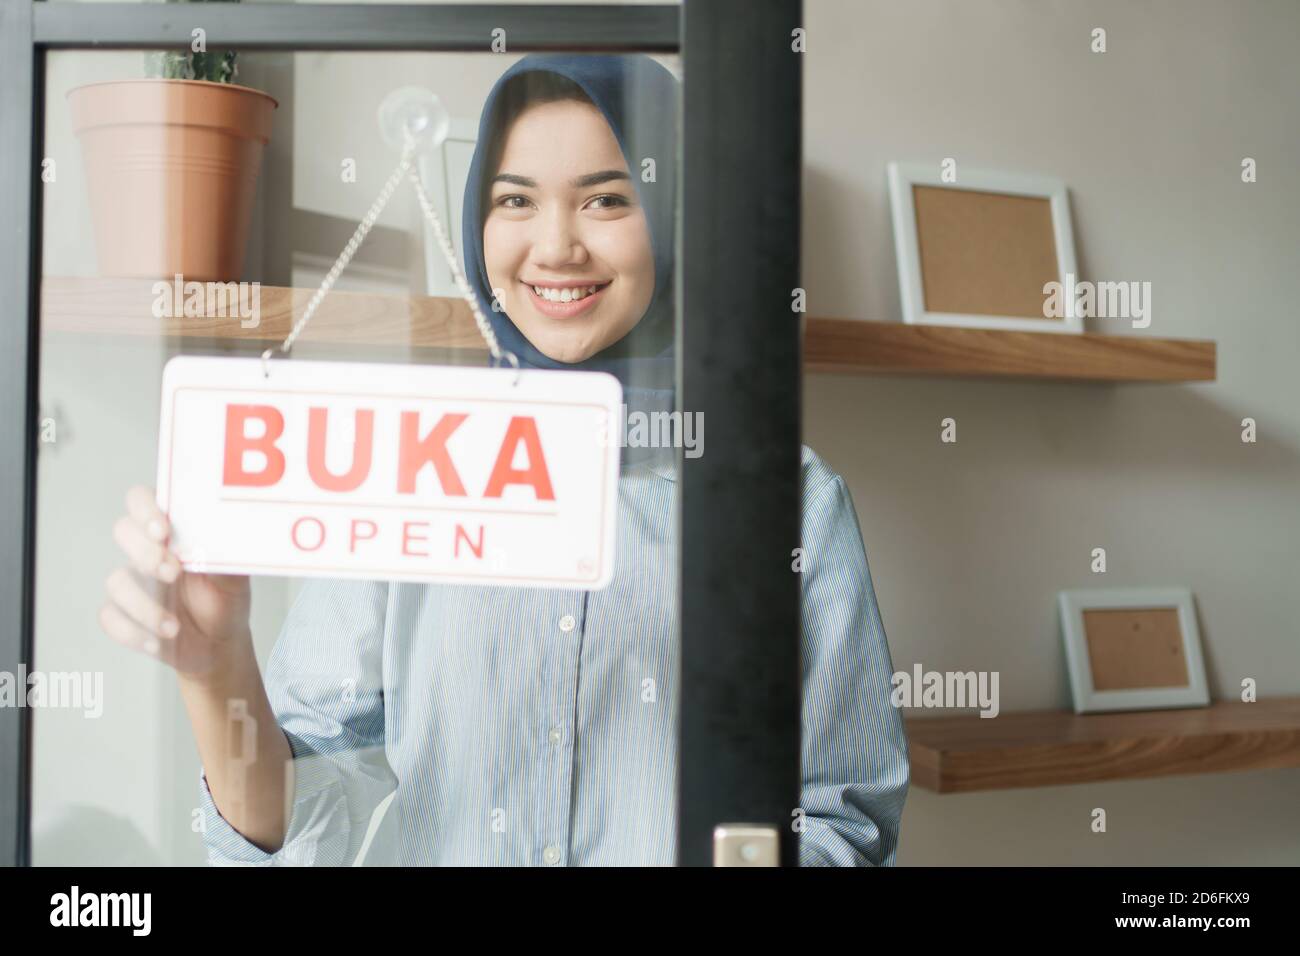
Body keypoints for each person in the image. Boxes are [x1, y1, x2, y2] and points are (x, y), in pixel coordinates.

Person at [99, 54, 909, 866]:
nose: (556, 246)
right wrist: (216, 669)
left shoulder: (789, 500)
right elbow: (294, 824)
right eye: (515, 200)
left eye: (606, 199)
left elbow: (846, 825)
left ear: (675, 213)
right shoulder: (407, 466)